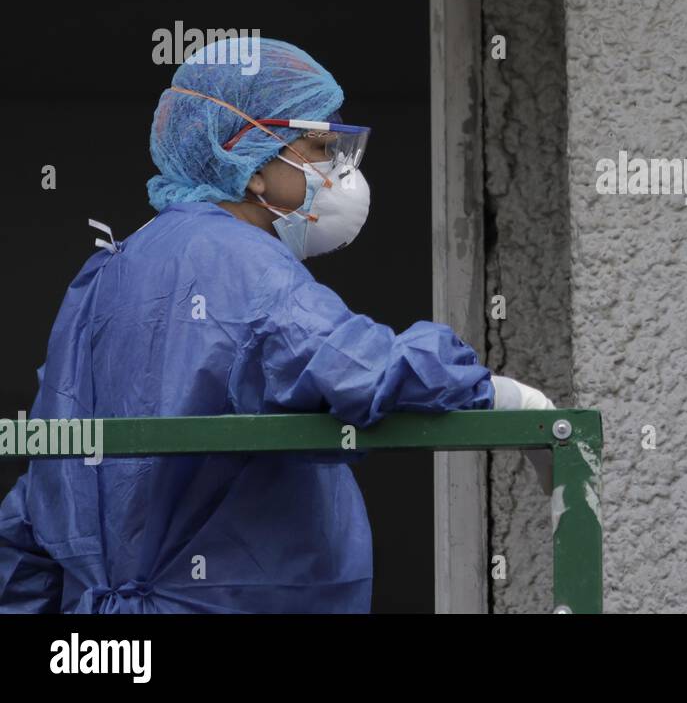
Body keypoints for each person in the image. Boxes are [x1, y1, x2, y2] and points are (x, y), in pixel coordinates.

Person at [0, 38, 550, 613]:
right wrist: (512, 399)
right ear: (250, 163)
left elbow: (43, 496)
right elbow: (359, 368)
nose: (342, 173)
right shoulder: (235, 258)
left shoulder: (108, 273)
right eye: (322, 148)